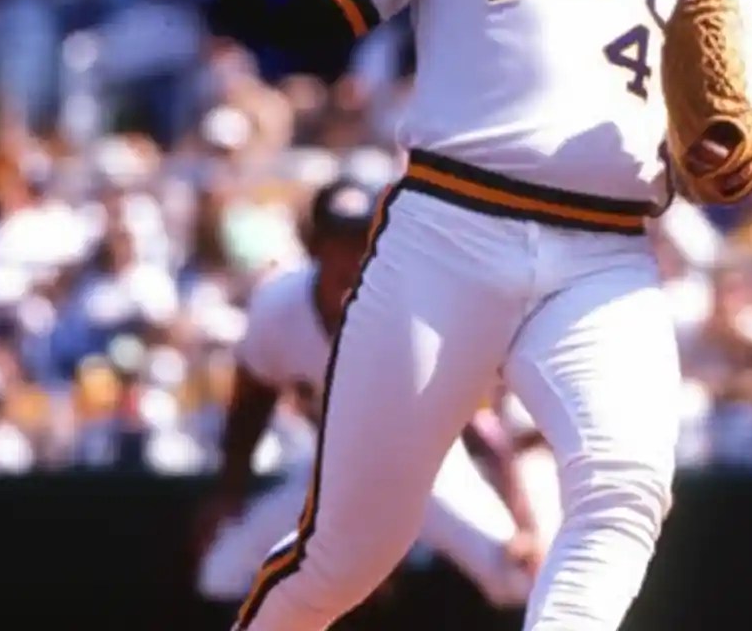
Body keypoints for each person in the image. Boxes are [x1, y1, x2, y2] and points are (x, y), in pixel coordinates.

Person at [163, 0, 752, 628]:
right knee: (347, 556)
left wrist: (723, 156)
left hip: (606, 252)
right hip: (450, 231)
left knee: (623, 493)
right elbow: (294, 12)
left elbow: (738, 143)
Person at [195, 177, 549, 609]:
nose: (352, 256)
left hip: (427, 470)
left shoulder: (414, 311)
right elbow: (252, 404)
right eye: (338, 242)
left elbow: (478, 424)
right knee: (223, 570)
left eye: (363, 240)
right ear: (315, 246)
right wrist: (229, 494)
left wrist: (523, 523)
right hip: (334, 474)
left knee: (521, 575)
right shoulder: (279, 308)